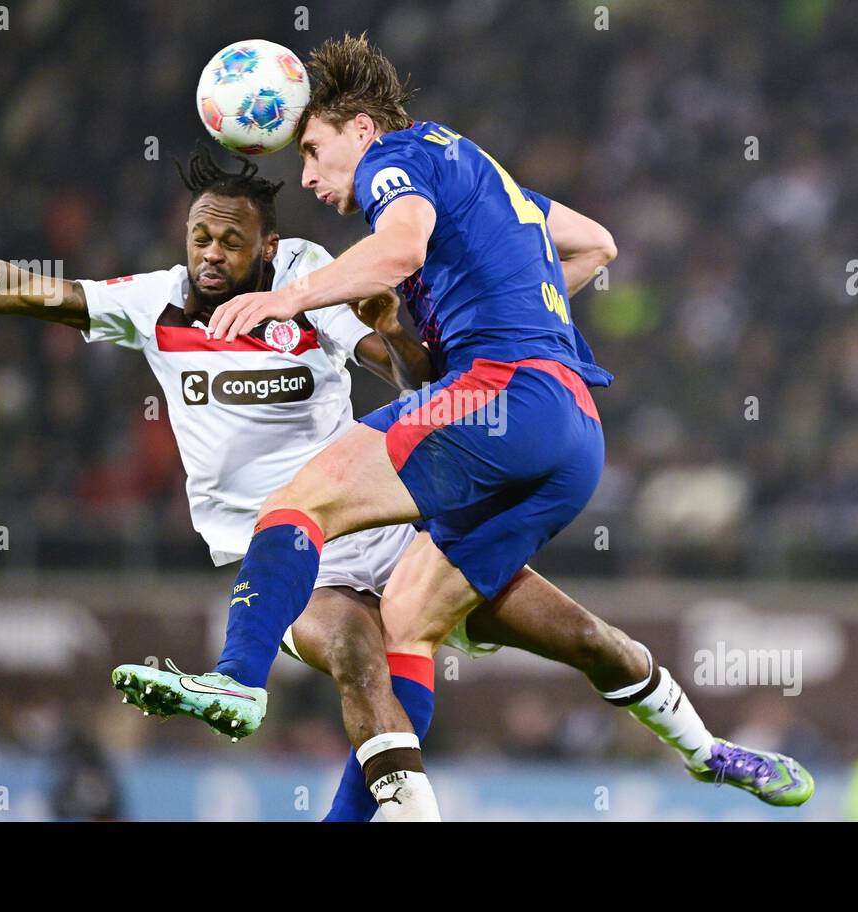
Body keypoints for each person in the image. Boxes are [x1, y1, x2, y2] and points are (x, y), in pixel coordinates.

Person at [0, 144, 813, 821]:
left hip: (387, 519)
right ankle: (271, 707)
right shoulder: (150, 304)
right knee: (361, 654)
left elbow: (410, 379)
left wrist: (388, 316)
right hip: (276, 553)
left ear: (267, 248)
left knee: (584, 639)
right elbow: (31, 290)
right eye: (201, 237)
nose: (212, 254)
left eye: (231, 239)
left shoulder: (306, 280)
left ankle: (705, 754)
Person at [118, 33, 814, 819]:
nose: (307, 175)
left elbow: (399, 246)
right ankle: (704, 750)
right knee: (411, 621)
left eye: (313, 150)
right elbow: (595, 244)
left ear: (361, 128)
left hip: (502, 396)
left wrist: (286, 298)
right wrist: (488, 314)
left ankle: (237, 680)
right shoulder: (477, 171)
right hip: (573, 429)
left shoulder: (398, 161)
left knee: (297, 503)